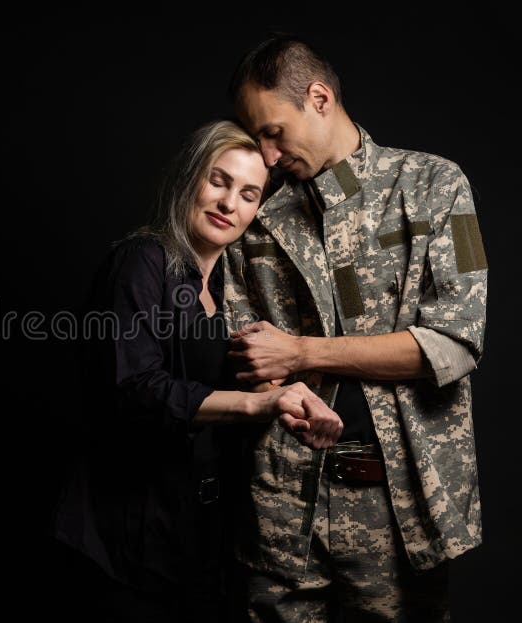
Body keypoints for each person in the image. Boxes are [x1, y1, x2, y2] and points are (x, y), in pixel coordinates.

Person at [222, 34, 488, 622]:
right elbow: (248, 356)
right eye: (256, 138)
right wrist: (273, 382)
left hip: (401, 511)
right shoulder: (256, 213)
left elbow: (454, 344)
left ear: (319, 98)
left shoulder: (435, 185)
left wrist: (301, 352)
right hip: (282, 509)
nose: (267, 155)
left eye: (273, 132)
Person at [50, 119, 343, 623]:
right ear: (190, 178)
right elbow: (134, 388)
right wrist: (258, 402)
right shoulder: (142, 260)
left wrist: (290, 397)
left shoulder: (227, 287)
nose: (229, 204)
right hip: (125, 538)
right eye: (218, 181)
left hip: (198, 537)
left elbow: (223, 380)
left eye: (249, 194)